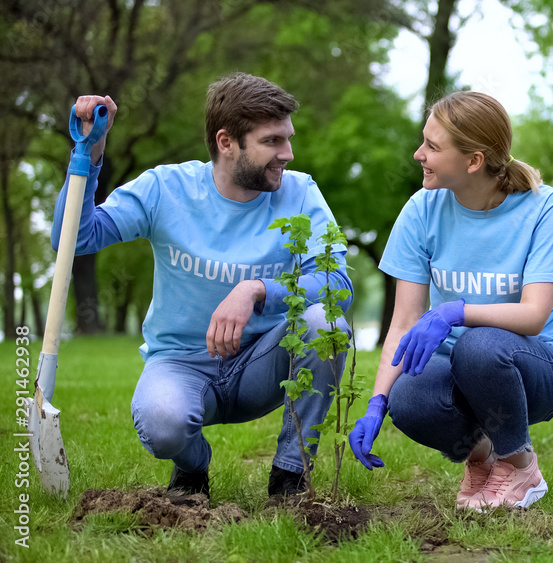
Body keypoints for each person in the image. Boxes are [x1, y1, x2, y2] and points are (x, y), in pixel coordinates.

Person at [52, 73, 353, 499]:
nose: (287, 153)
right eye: (272, 141)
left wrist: (257, 290)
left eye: (288, 138)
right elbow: (76, 238)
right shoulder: (166, 189)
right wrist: (90, 151)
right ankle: (193, 468)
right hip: (181, 364)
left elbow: (338, 284)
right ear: (226, 142)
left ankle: (290, 475)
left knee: (328, 323)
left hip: (262, 366)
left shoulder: (300, 193)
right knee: (163, 423)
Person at [348, 91, 553, 511]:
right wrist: (377, 402)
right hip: (461, 369)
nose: (419, 154)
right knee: (409, 398)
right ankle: (485, 457)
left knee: (479, 343)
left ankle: (520, 464)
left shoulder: (543, 207)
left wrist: (456, 311)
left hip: (535, 370)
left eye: (433, 147)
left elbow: (533, 315)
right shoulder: (422, 210)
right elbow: (403, 322)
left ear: (473, 161)